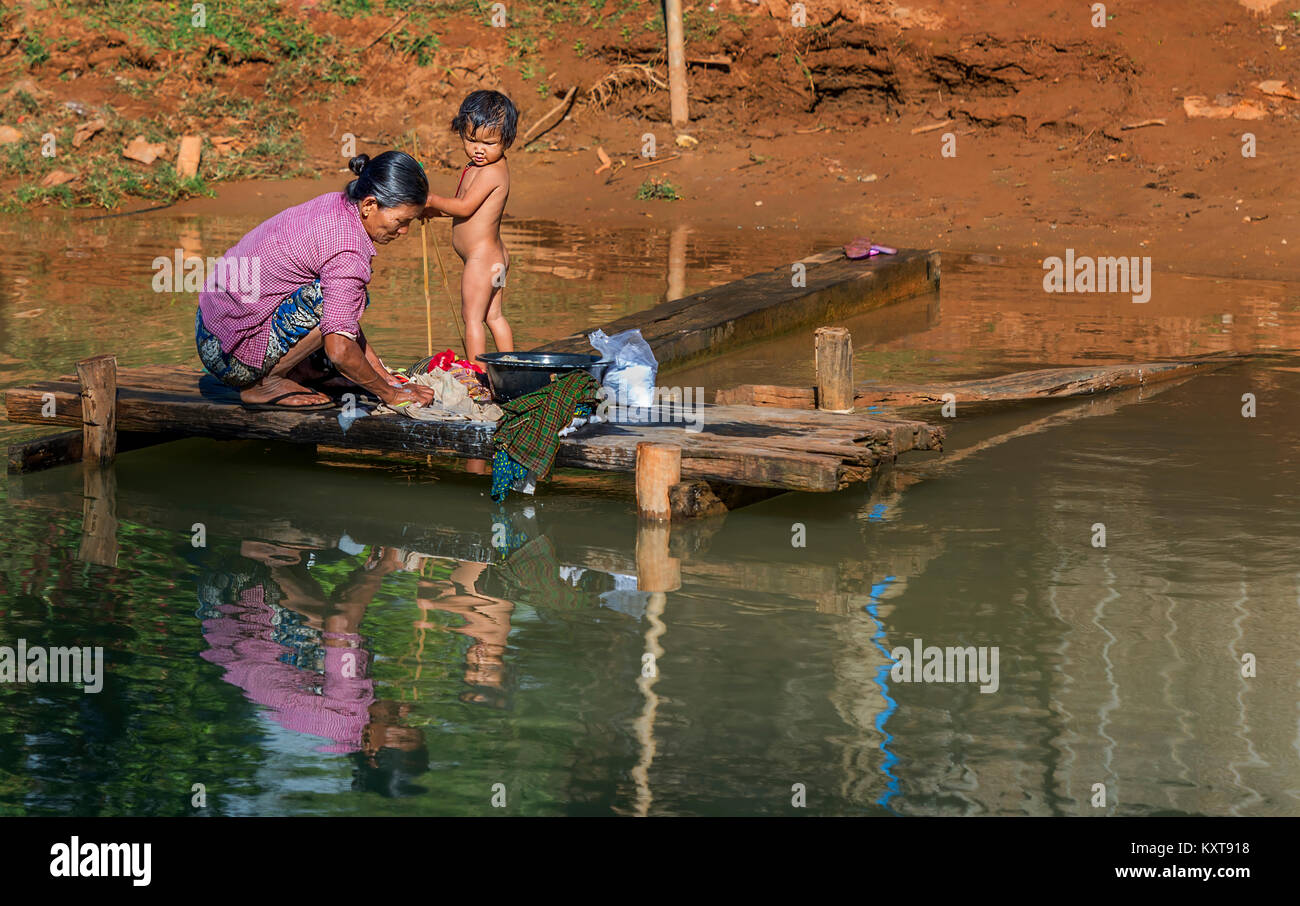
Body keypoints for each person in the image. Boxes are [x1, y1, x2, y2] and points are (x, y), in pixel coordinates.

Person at [196, 151, 437, 411]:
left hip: (211, 328)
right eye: (401, 221)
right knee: (331, 299)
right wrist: (390, 395)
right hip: (230, 358)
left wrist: (386, 378)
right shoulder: (348, 251)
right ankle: (265, 384)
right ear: (369, 205)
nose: (403, 231)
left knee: (345, 299)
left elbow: (343, 318)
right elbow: (340, 349)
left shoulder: (336, 204)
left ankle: (299, 370)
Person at [423, 90, 517, 364]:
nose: (478, 148)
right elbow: (463, 206)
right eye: (471, 139)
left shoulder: (492, 171)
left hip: (483, 260)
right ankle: (510, 365)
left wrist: (430, 198)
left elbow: (463, 208)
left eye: (489, 143)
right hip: (495, 260)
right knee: (493, 315)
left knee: (472, 317)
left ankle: (476, 373)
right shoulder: (478, 166)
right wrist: (432, 210)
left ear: (506, 140)